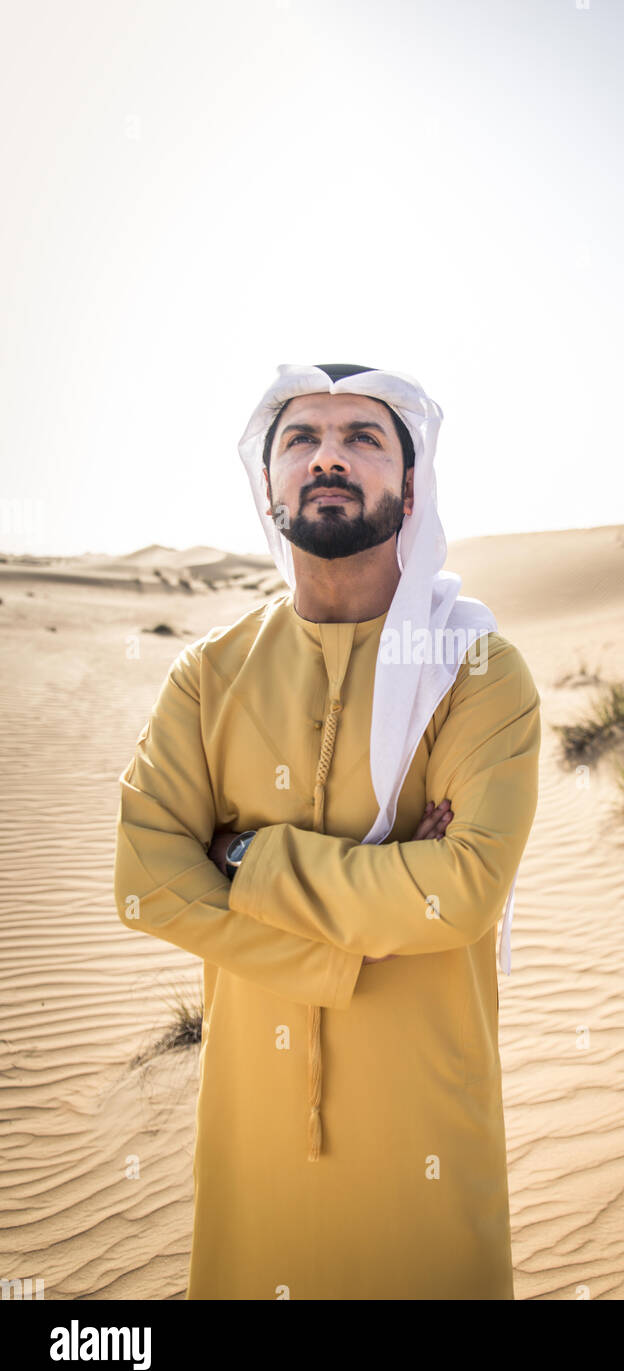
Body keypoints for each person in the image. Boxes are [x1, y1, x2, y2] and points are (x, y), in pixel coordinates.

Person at [113, 362, 541, 1300]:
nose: (328, 458)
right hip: (250, 1134)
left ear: (411, 484)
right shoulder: (207, 677)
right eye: (301, 438)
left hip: (425, 1120)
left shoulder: (476, 671)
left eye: (363, 438)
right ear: (267, 485)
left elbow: (463, 892)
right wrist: (376, 898)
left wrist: (240, 856)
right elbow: (146, 880)